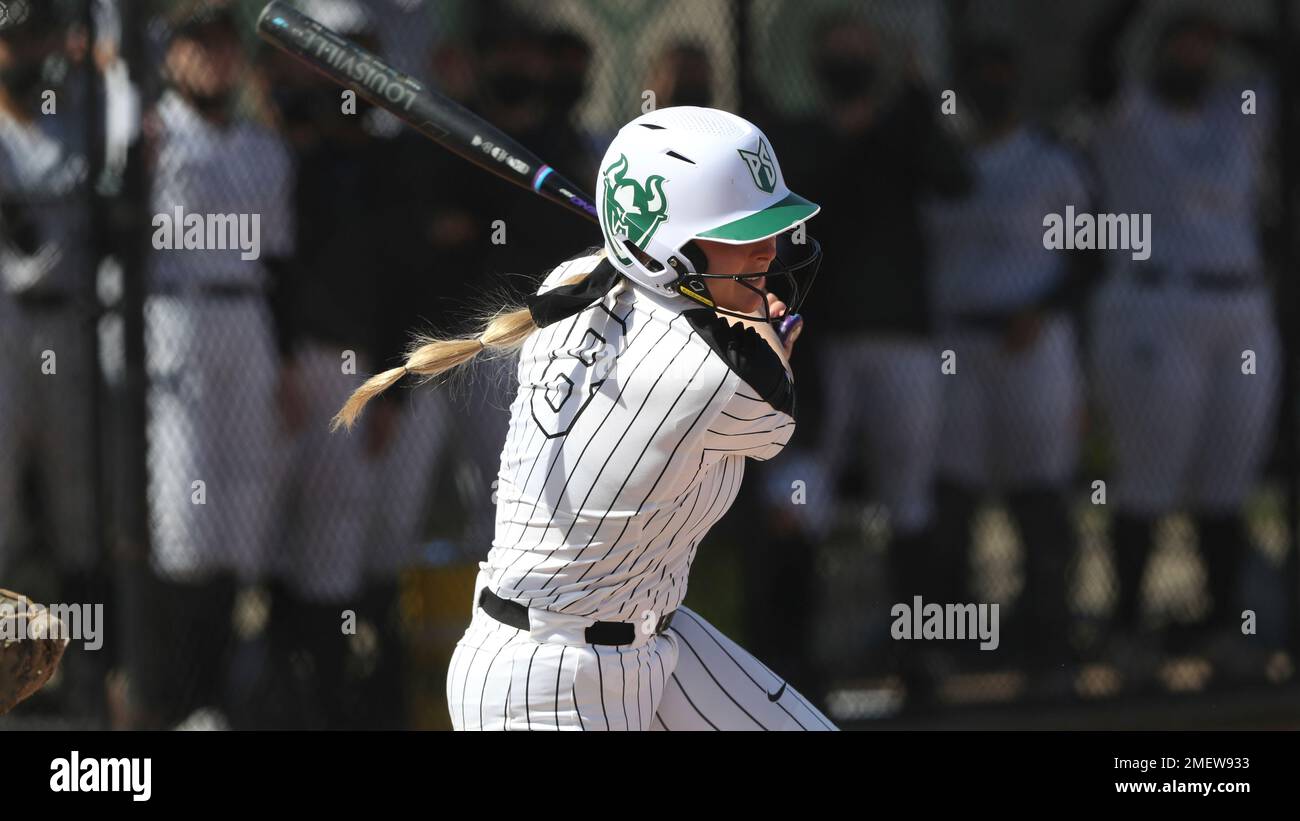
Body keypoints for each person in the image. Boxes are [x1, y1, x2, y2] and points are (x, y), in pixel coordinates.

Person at [335, 105, 834, 730]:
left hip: (648, 641)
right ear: (668, 250)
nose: (768, 250)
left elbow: (639, 281)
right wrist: (759, 333)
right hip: (545, 688)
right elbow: (763, 388)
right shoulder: (714, 377)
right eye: (741, 233)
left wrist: (663, 258)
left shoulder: (575, 279)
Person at [1086, 10, 1279, 684]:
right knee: (1150, 477)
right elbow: (1099, 58)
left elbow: (1287, 59)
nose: (1194, 56)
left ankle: (1224, 630)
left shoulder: (1238, 110)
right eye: (1182, 45)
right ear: (1158, 53)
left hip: (1242, 305)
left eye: (1205, 47)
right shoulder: (1130, 112)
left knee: (1229, 483)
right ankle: (1127, 633)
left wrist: (1227, 30)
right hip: (1153, 300)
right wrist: (1149, 12)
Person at [127, 5, 295, 727]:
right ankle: (172, 694)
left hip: (246, 317)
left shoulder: (263, 149)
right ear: (170, 57)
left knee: (238, 511)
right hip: (176, 314)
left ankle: (217, 697)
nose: (213, 59)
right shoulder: (148, 134)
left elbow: (280, 263)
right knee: (181, 516)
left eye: (224, 46)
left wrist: (284, 357)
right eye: (198, 46)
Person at [923, 39, 1095, 696]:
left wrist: (1045, 307)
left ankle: (1048, 645)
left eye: (1002, 78)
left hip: (1032, 340)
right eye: (980, 79)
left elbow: (1091, 257)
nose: (991, 90)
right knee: (951, 496)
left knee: (1040, 493)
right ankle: (951, 651)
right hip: (954, 345)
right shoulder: (945, 162)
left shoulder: (1051, 161)